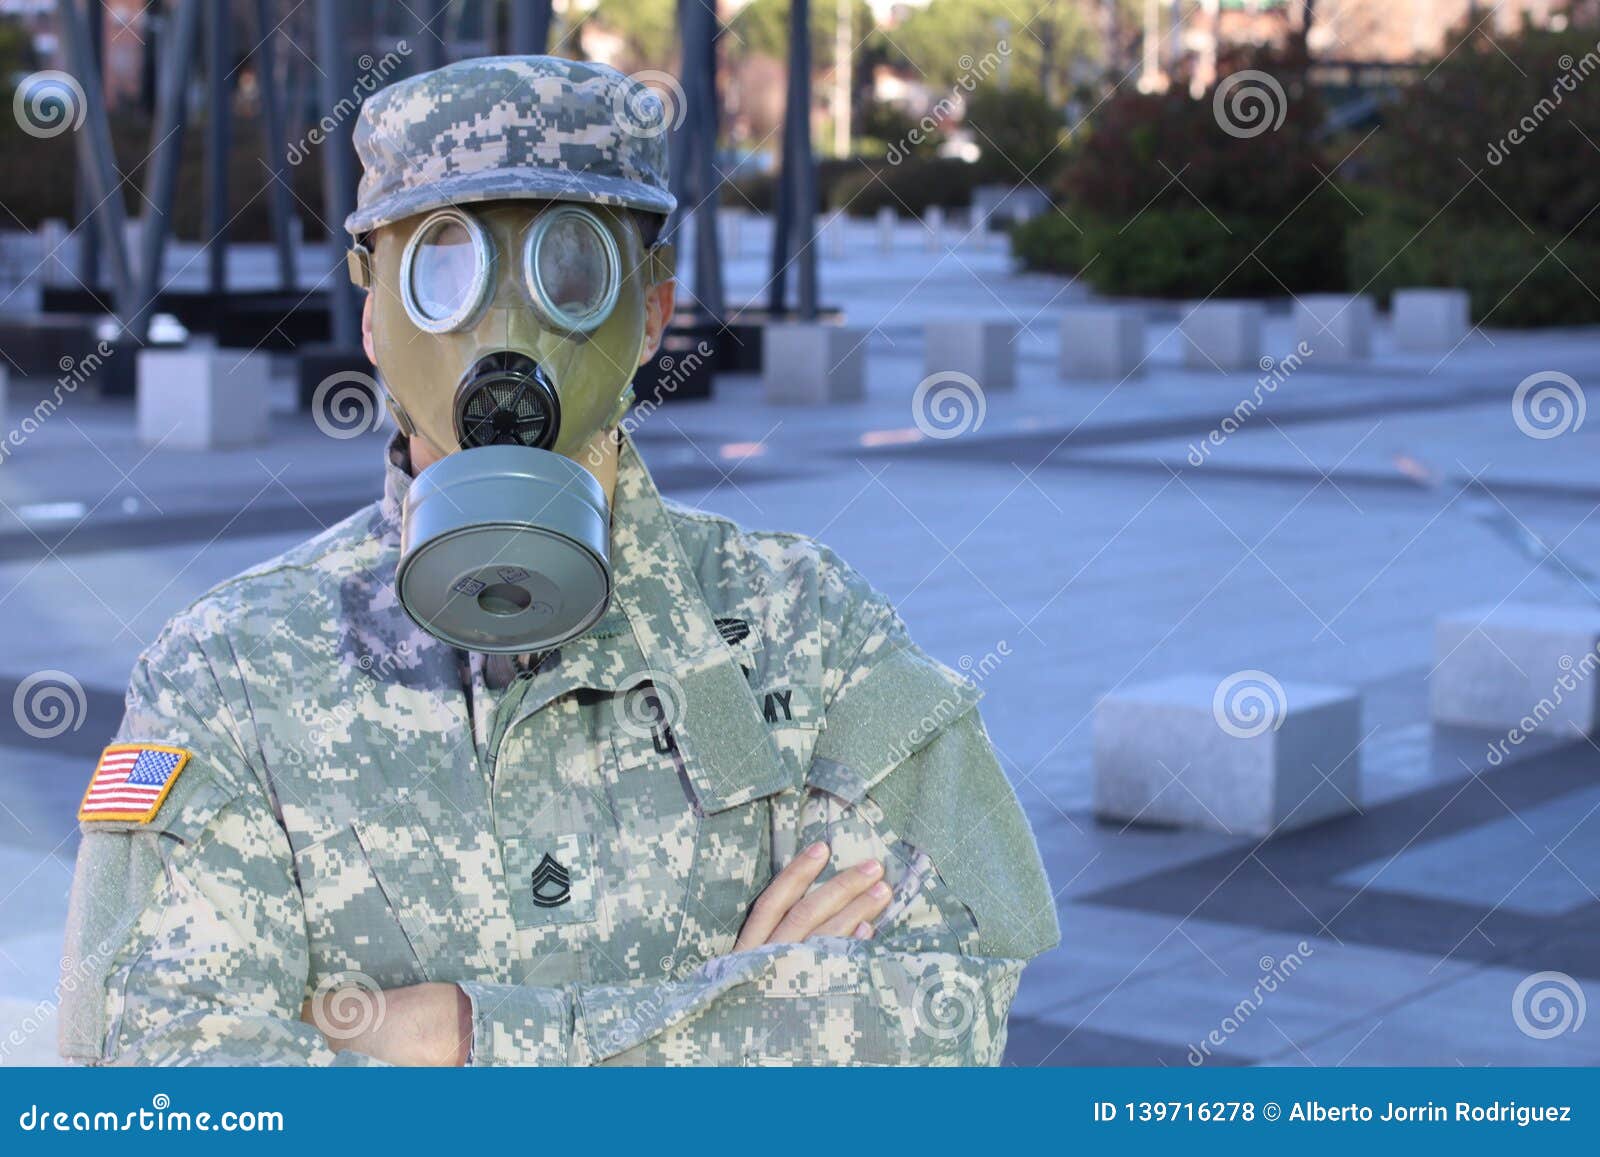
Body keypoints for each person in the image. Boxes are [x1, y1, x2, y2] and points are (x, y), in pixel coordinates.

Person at [58, 56, 1057, 1067]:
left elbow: (947, 1015)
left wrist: (451, 1035)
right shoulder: (229, 673)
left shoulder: (812, 629)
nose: (507, 327)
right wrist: (737, 1021)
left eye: (569, 271)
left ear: (651, 313)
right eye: (443, 270)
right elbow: (156, 1085)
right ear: (373, 318)